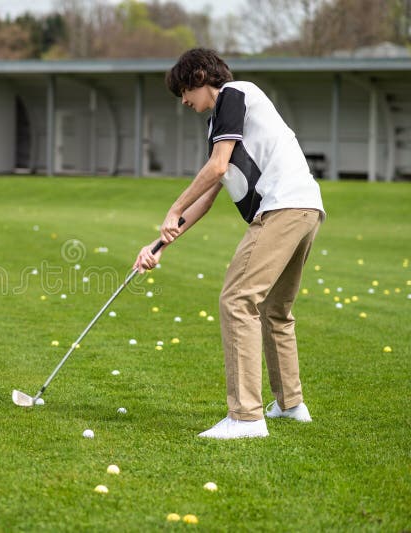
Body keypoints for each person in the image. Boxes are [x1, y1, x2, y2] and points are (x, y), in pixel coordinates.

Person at [133, 48, 325, 439]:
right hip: (306, 210)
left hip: (281, 209)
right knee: (274, 309)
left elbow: (217, 167)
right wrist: (160, 243)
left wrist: (172, 207)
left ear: (202, 76)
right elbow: (211, 193)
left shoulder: (234, 94)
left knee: (237, 299)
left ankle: (245, 418)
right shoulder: (223, 123)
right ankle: (290, 405)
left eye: (184, 90)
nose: (184, 100)